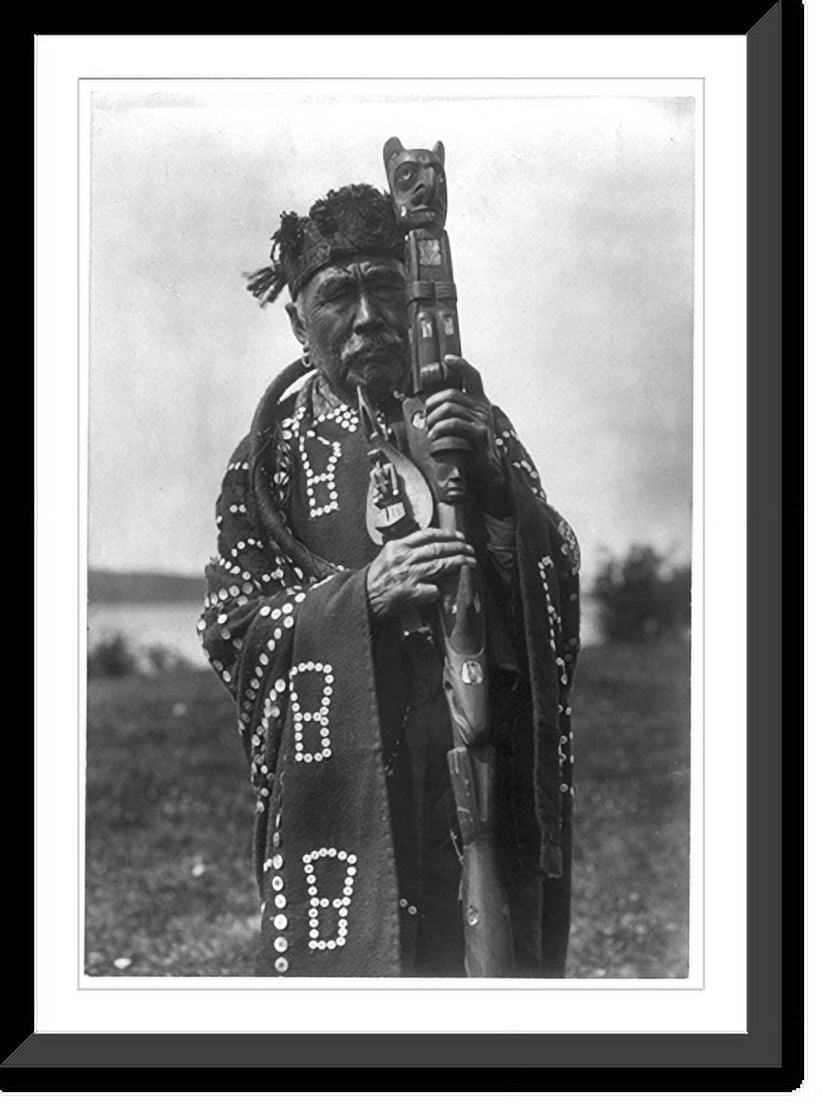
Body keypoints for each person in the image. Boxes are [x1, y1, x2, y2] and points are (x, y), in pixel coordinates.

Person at [198, 181, 581, 978]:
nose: (369, 316)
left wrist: (501, 498)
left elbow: (559, 576)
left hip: (479, 779)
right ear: (299, 321)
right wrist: (360, 600)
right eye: (339, 295)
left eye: (387, 289)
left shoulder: (474, 425)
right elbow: (233, 627)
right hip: (349, 790)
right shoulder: (268, 460)